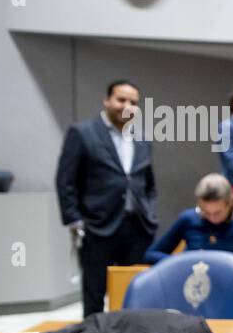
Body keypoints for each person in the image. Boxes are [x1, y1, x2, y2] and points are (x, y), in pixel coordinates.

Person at [55, 79, 158, 317]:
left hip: (137, 228)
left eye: (133, 102)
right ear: (107, 101)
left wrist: (150, 213)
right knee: (94, 295)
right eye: (121, 99)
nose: (127, 106)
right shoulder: (82, 133)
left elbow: (148, 184)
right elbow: (65, 180)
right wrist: (74, 220)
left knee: (136, 293)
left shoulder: (143, 139)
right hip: (97, 227)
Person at [145, 173, 233, 266]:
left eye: (218, 213)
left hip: (228, 281)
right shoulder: (188, 219)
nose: (212, 218)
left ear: (230, 204)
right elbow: (151, 254)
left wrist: (223, 262)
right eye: (206, 212)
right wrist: (183, 262)